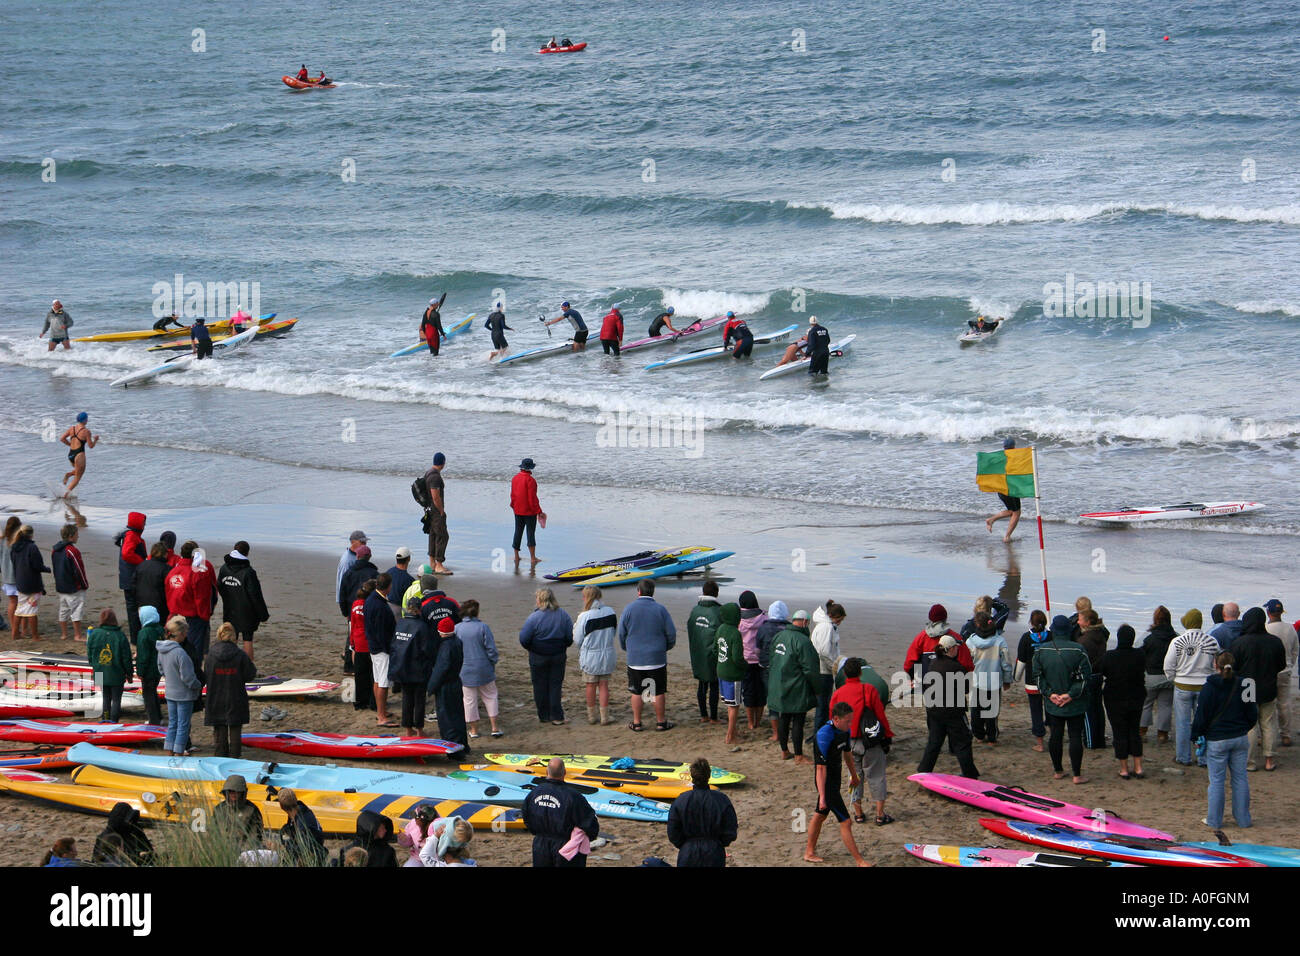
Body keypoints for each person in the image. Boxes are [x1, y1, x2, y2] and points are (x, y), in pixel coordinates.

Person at [1192, 652, 1257, 829]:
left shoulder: (1209, 687)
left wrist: (1196, 735)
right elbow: (1253, 713)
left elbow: (1201, 716)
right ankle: (1244, 819)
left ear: (1216, 665)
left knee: (1217, 781)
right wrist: (1244, 727)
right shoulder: (1246, 684)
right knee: (1240, 778)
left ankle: (1214, 820)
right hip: (1239, 737)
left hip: (1217, 739)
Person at [804, 702, 870, 866]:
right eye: (848, 721)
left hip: (835, 778)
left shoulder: (844, 731)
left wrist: (854, 776)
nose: (851, 724)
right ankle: (860, 861)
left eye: (851, 721)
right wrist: (823, 796)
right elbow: (820, 769)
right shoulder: (824, 735)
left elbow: (847, 754)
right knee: (846, 821)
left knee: (820, 815)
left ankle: (809, 852)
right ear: (836, 719)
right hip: (825, 782)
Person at [830, 657, 893, 825]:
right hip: (869, 741)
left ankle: (858, 813)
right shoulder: (869, 690)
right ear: (860, 672)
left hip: (849, 743)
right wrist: (887, 735)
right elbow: (880, 716)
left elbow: (833, 720)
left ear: (844, 673)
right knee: (877, 776)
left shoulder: (838, 693)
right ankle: (880, 815)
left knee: (854, 777)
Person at [1033, 615, 1092, 783]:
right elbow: (1085, 677)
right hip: (1073, 702)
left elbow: (1037, 677)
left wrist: (1050, 694)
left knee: (1056, 736)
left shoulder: (1041, 650)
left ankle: (1058, 770)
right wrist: (1069, 695)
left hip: (1056, 702)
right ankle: (1076, 774)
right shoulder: (1078, 649)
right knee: (1074, 736)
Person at [915, 635, 980, 778]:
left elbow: (927, 686)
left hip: (934, 711)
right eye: (956, 647)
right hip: (953, 712)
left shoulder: (933, 664)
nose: (957, 649)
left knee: (934, 741)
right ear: (950, 649)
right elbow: (966, 689)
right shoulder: (957, 667)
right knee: (963, 742)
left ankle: (924, 770)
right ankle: (969, 774)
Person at [1231, 607, 1286, 772]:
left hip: (1247, 686)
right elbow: (1281, 665)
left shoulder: (1239, 642)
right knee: (1268, 723)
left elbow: (1234, 667)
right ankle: (1269, 760)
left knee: (1250, 725)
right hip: (1268, 685)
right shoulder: (1275, 641)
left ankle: (1250, 762)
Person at [1163, 609, 1220, 766]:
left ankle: (1183, 756)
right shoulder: (1212, 641)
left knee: (1182, 722)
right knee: (1204, 722)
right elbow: (1218, 664)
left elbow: (1168, 665)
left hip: (1182, 685)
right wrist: (1213, 678)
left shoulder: (1177, 641)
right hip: (1205, 686)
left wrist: (1174, 679)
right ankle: (1204, 758)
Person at [619, 579, 678, 732]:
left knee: (637, 690)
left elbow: (621, 633)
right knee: (657, 690)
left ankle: (637, 722)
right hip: (656, 657)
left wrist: (627, 648)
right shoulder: (660, 609)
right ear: (652, 591)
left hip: (636, 657)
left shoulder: (629, 609)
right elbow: (671, 633)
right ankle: (660, 722)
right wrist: (665, 647)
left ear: (639, 591)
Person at [522, 758, 600, 867]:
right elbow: (589, 823)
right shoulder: (573, 796)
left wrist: (538, 833)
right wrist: (587, 837)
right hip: (565, 846)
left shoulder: (534, 793)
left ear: (546, 772)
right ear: (564, 773)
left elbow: (526, 817)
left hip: (541, 845)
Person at [666, 757, 738, 867]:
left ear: (692, 776)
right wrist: (719, 843)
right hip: (714, 851)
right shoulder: (721, 800)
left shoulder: (681, 800)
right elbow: (730, 829)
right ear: (709, 776)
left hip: (688, 851)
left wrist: (684, 845)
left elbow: (673, 831)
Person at [1097, 624, 1148, 778]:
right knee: (1134, 730)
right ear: (1132, 639)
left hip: (1115, 697)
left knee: (1119, 732)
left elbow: (1099, 670)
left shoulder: (1109, 656)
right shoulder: (1140, 654)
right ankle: (1138, 767)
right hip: (1136, 696)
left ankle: (1124, 769)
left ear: (1118, 638)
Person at [768, 610, 819, 761]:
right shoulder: (803, 641)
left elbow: (772, 659)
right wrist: (818, 689)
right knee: (798, 720)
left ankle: (784, 751)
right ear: (804, 622)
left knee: (784, 717)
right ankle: (798, 755)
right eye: (808, 623)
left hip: (779, 684)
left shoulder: (779, 636)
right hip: (797, 686)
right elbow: (811, 669)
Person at [519, 587, 573, 724]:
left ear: (540, 600)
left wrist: (532, 648)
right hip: (558, 655)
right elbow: (569, 637)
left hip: (538, 655)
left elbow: (524, 639)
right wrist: (562, 646)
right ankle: (556, 716)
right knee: (555, 685)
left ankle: (543, 715)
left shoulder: (534, 617)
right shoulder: (563, 615)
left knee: (539, 685)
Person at [205, 622, 257, 758]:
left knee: (219, 728)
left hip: (216, 695)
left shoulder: (211, 655)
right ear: (234, 637)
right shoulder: (240, 655)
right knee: (235, 728)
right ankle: (235, 756)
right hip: (235, 695)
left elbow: (206, 674)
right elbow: (250, 674)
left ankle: (220, 755)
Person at [390, 596, 436, 737]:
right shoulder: (422, 626)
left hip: (402, 667)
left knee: (407, 699)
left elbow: (395, 644)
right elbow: (426, 649)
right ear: (420, 609)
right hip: (418, 668)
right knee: (419, 700)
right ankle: (419, 730)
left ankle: (408, 729)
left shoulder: (401, 623)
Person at [965, 610, 1011, 745]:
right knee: (991, 711)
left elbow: (967, 662)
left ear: (977, 625)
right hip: (994, 681)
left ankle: (979, 735)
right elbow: (1006, 663)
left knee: (976, 710)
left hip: (977, 681)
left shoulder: (970, 641)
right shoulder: (1000, 641)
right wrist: (1007, 680)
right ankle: (991, 737)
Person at [217, 541, 269, 662]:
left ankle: (231, 666)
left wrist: (227, 597)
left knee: (231, 638)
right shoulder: (249, 572)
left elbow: (219, 585)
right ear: (247, 553)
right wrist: (263, 615)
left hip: (230, 609)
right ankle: (248, 669)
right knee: (247, 639)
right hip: (246, 612)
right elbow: (255, 595)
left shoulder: (224, 568)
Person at [167, 541, 218, 664]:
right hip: (193, 616)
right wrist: (204, 616)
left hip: (175, 614)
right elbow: (202, 597)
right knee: (194, 649)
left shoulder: (174, 571)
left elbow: (168, 592)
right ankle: (193, 673)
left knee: (177, 646)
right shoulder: (198, 572)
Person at [573, 585, 617, 726]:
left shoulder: (584, 616)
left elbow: (577, 639)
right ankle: (605, 717)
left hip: (591, 655)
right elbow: (613, 633)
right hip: (607, 653)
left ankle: (592, 716)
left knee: (590, 685)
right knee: (604, 685)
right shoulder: (610, 612)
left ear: (586, 597)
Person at [457, 599, 502, 738]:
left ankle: (474, 730)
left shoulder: (457, 628)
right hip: (484, 667)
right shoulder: (483, 627)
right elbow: (491, 649)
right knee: (490, 696)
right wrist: (492, 662)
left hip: (465, 669)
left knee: (469, 700)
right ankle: (494, 727)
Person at [159, 616, 201, 755]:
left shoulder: (162, 650)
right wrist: (198, 685)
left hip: (170, 692)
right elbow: (188, 677)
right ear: (181, 634)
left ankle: (169, 751)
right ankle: (178, 752)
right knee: (183, 725)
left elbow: (160, 669)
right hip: (184, 694)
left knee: (173, 723)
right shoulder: (181, 653)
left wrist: (171, 678)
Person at [428, 618, 468, 753]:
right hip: (456, 682)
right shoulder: (458, 642)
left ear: (440, 632)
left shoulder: (446, 647)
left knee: (447, 719)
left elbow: (441, 669)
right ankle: (463, 745)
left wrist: (431, 687)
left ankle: (453, 750)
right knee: (458, 715)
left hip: (446, 686)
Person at [86, 608, 133, 722]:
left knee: (105, 697)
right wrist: (129, 673)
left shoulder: (94, 634)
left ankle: (105, 719)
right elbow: (126, 657)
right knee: (116, 699)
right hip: (116, 672)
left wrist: (94, 667)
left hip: (99, 671)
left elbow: (90, 653)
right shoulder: (120, 636)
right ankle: (113, 721)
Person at [1014, 609, 1050, 751]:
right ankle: (1053, 735)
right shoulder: (1051, 636)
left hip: (1032, 682)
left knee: (1036, 711)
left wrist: (1016, 678)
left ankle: (1040, 743)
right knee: (1050, 710)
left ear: (1031, 622)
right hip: (1049, 682)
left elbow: (1021, 661)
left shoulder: (1026, 638)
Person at [1140, 605, 1177, 743]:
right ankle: (1162, 734)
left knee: (1146, 704)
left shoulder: (1149, 638)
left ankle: (1142, 731)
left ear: (1155, 619)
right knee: (1166, 705)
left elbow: (1140, 654)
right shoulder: (1175, 637)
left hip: (1150, 676)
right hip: (1169, 677)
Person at [364, 572, 397, 726]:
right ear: (389, 587)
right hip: (381, 649)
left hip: (374, 646)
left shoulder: (371, 599)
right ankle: (381, 716)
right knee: (383, 682)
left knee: (378, 680)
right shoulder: (380, 606)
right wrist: (389, 649)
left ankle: (381, 711)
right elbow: (382, 632)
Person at [687, 583, 722, 724]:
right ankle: (713, 717)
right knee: (713, 684)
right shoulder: (718, 612)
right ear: (716, 593)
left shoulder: (695, 610)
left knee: (702, 684)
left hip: (698, 653)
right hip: (713, 654)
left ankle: (704, 715)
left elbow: (690, 629)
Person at [1262, 599, 1296, 746]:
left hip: (1268, 672)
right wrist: (1290, 665)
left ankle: (1264, 736)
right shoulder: (1290, 629)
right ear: (1281, 613)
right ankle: (1286, 734)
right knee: (1284, 703)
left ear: (1268, 613)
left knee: (1266, 705)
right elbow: (1295, 651)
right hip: (1285, 670)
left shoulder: (1265, 629)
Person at [757, 600, 791, 741]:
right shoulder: (789, 629)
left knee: (773, 700)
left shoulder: (763, 628)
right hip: (786, 669)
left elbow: (757, 648)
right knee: (785, 699)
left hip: (768, 668)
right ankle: (784, 730)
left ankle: (776, 733)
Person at [1076, 608, 1110, 749]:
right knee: (1098, 708)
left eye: (1080, 619)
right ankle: (1099, 739)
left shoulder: (1084, 641)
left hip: (1089, 676)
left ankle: (1090, 741)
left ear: (1087, 622)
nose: (1077, 622)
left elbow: (1080, 661)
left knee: (1088, 709)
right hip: (1098, 675)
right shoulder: (1101, 635)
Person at [715, 602, 748, 744]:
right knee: (734, 705)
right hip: (733, 674)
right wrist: (745, 666)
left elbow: (715, 649)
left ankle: (732, 731)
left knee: (729, 704)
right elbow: (737, 657)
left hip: (721, 671)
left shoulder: (721, 628)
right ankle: (730, 736)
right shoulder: (735, 633)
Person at [809, 599, 844, 734]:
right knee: (823, 706)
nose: (840, 623)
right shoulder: (826, 627)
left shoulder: (826, 626)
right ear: (833, 616)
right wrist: (834, 666)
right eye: (839, 619)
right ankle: (820, 734)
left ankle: (820, 732)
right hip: (823, 672)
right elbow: (824, 652)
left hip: (822, 670)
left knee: (823, 705)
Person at [11, 524, 50, 641]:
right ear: (31, 534)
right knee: (32, 610)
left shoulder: (14, 547)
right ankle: (35, 636)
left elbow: (14, 563)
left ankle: (15, 633)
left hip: (20, 582)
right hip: (32, 583)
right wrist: (47, 569)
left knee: (20, 608)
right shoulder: (32, 547)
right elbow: (37, 565)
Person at [51, 523, 88, 641]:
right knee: (76, 609)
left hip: (61, 585)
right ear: (71, 536)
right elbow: (79, 569)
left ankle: (64, 634)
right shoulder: (72, 551)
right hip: (73, 586)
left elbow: (55, 568)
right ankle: (77, 635)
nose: (78, 536)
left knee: (63, 609)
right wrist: (84, 584)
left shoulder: (55, 550)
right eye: (77, 534)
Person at [737, 591, 768, 733]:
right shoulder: (763, 618)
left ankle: (750, 722)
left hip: (746, 659)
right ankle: (758, 720)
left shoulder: (739, 619)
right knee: (761, 691)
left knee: (748, 691)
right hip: (760, 659)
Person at [984, 437, 1022, 541]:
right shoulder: (1013, 458)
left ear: (1004, 447)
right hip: (1010, 489)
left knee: (1011, 511)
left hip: (1000, 489)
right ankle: (1007, 536)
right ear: (1014, 447)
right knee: (1017, 512)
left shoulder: (999, 458)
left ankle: (990, 520)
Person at [510, 458, 546, 566]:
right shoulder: (531, 480)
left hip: (517, 509)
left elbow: (513, 495)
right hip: (529, 511)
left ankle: (516, 556)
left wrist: (513, 506)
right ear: (531, 468)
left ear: (521, 467)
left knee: (518, 531)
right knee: (530, 533)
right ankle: (533, 558)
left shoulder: (515, 478)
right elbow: (532, 499)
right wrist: (539, 511)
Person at [277, 789, 327, 866]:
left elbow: (308, 852)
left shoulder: (302, 824)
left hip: (313, 854)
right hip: (311, 845)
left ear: (281, 806)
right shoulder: (299, 810)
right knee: (284, 831)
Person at [214, 775, 264, 850]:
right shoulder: (219, 809)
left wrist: (243, 852)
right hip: (222, 852)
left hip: (244, 852)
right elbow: (213, 833)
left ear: (242, 793)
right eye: (231, 791)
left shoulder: (252, 810)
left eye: (237, 791)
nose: (233, 794)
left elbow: (255, 837)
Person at [348, 580, 376, 712]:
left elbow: (352, 625)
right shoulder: (370, 606)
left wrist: (352, 642)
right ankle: (371, 701)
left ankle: (359, 701)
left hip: (358, 642)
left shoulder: (355, 604)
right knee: (372, 675)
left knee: (360, 674)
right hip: (368, 643)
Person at [421, 453, 451, 575]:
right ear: (443, 462)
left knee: (433, 535)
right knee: (443, 536)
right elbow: (435, 496)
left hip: (429, 509)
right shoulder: (435, 477)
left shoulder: (428, 472)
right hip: (435, 511)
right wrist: (441, 511)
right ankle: (439, 564)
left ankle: (432, 563)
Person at [136, 605, 165, 725]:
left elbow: (144, 656)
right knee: (153, 692)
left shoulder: (144, 633)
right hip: (159, 668)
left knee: (148, 695)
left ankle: (154, 720)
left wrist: (140, 672)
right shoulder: (160, 630)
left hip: (149, 670)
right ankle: (159, 717)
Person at [59, 412, 98, 495]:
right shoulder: (86, 431)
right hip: (79, 455)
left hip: (71, 454)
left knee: (77, 471)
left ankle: (68, 474)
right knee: (77, 478)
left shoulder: (72, 428)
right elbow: (91, 446)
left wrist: (70, 445)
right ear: (85, 420)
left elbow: (62, 438)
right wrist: (96, 440)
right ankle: (64, 495)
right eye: (87, 419)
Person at [134, 542, 171, 625]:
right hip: (160, 606)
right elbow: (170, 589)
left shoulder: (141, 565)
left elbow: (133, 585)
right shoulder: (166, 569)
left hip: (142, 603)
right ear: (164, 554)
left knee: (145, 627)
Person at [2, 517, 21, 633]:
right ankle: (18, 629)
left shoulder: (3, 540)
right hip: (17, 575)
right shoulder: (17, 541)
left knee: (12, 602)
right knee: (20, 604)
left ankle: (14, 627)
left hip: (6, 575)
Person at [385, 547, 416, 616]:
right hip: (399, 609)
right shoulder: (409, 580)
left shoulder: (389, 572)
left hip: (386, 606)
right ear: (409, 559)